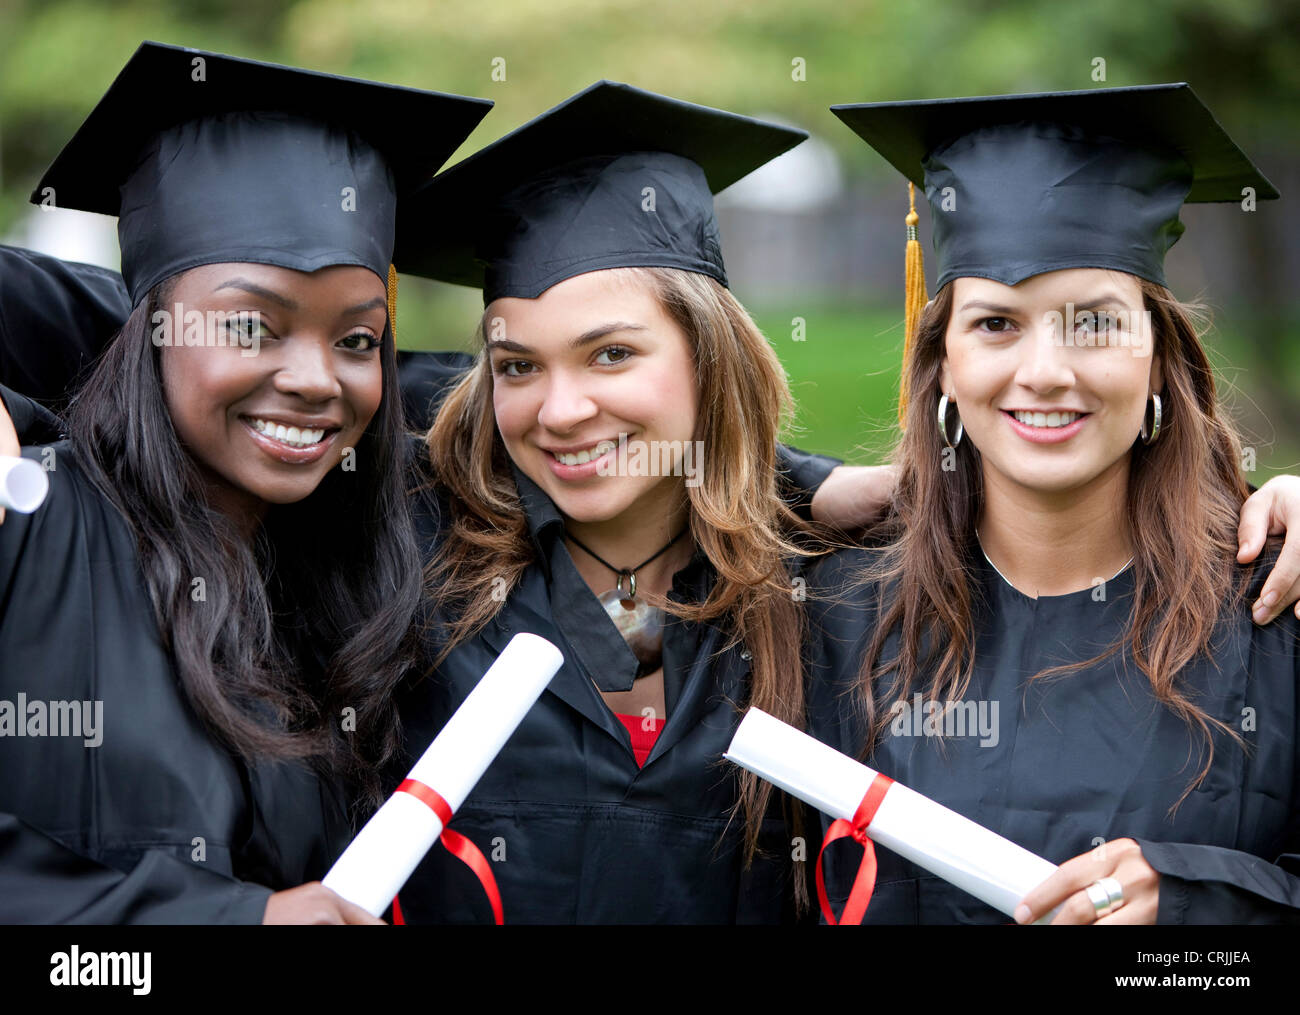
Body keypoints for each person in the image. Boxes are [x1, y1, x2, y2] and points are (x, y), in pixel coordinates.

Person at [0, 41, 491, 923]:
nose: (316, 378)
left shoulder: (340, 582)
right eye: (251, 325)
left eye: (355, 339)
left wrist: (802, 483)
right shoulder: (28, 524)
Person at [805, 83, 1300, 923]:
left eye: (1094, 324)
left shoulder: (1274, 614)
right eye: (997, 323)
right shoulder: (832, 615)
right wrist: (808, 480)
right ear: (944, 365)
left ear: (1157, 356)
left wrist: (1191, 909)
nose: (1044, 371)